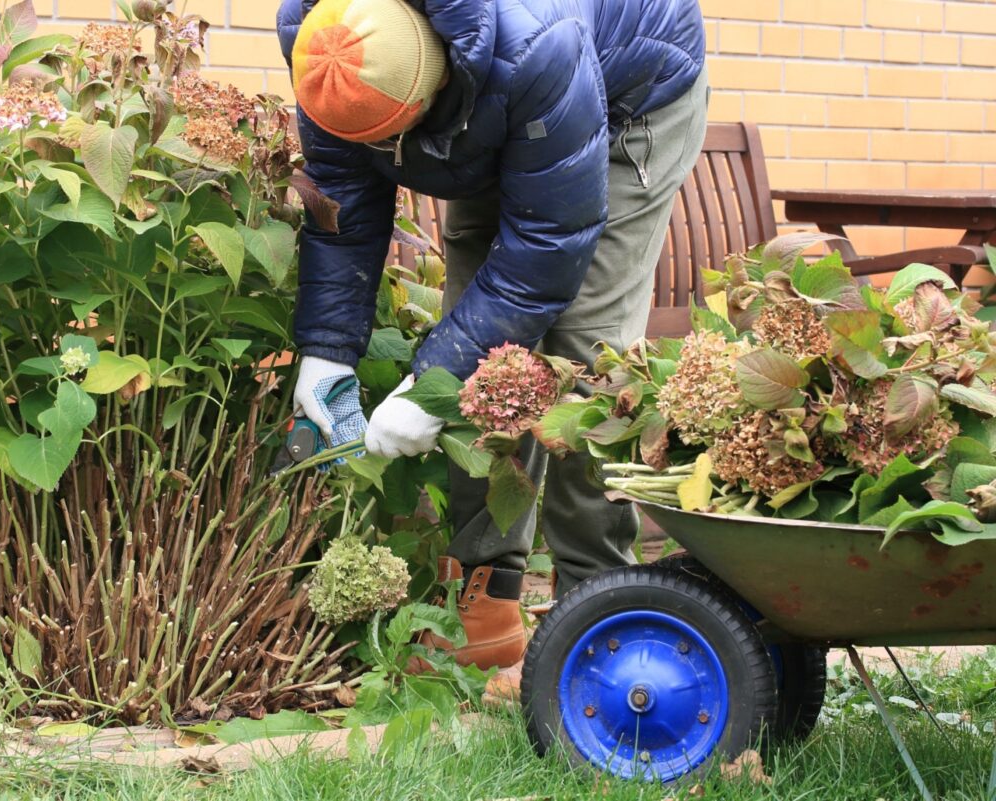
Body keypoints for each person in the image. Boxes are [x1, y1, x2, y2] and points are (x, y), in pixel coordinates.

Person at [277, 0, 708, 671]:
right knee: (473, 352)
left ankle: (595, 608)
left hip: (630, 93)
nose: (392, 160)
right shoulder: (326, 46)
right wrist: (325, 352)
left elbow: (546, 250)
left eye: (398, 141)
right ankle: (485, 599)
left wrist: (428, 383)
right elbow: (344, 202)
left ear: (440, 81)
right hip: (493, 104)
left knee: (586, 354)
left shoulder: (538, 47)